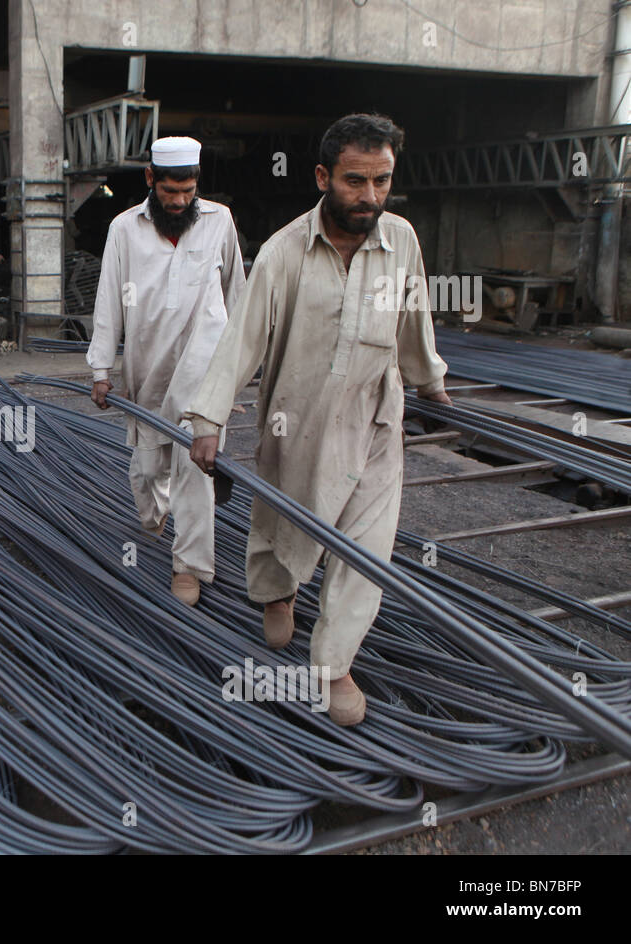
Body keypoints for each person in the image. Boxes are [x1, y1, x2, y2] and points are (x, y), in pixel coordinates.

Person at [185, 113, 452, 725]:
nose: (370, 197)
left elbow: (414, 317)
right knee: (287, 522)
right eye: (355, 181)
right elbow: (242, 340)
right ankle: (277, 592)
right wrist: (209, 418)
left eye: (382, 181)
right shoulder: (284, 253)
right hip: (295, 421)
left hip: (376, 420)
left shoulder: (401, 241)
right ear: (322, 176)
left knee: (367, 551)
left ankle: (331, 665)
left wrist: (430, 382)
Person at [86, 136, 246, 605]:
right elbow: (108, 297)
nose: (179, 202)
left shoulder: (219, 221)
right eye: (170, 191)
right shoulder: (124, 228)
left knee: (197, 465)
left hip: (204, 367)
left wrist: (240, 366)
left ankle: (189, 566)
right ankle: (154, 515)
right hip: (146, 364)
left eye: (188, 192)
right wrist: (101, 367)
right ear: (151, 180)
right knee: (148, 466)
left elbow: (238, 291)